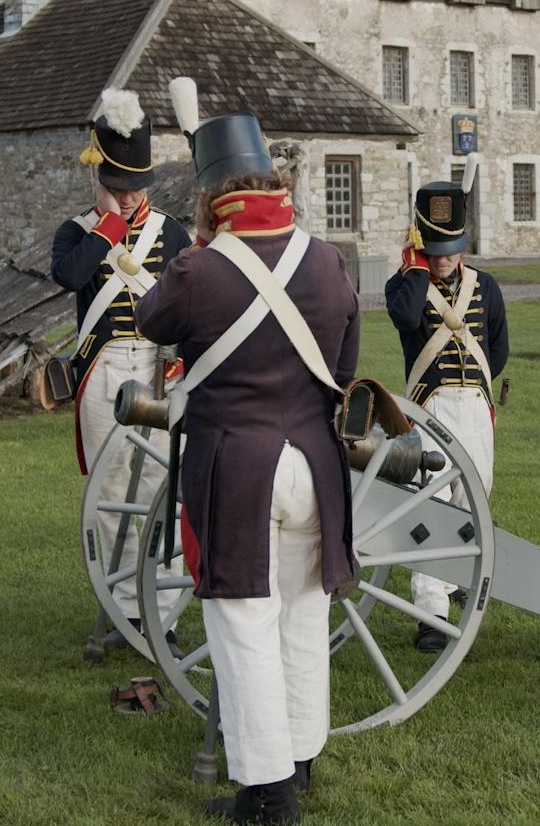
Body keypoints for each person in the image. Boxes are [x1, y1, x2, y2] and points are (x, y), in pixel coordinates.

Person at [135, 110, 360, 825]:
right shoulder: (326, 260)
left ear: (210, 201)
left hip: (238, 468)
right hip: (314, 464)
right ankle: (300, 758)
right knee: (303, 615)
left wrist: (202, 249)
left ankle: (268, 794)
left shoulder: (198, 268)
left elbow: (151, 320)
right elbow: (343, 370)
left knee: (244, 626)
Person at [50, 89, 191, 639]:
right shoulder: (77, 232)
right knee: (111, 495)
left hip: (159, 368)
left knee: (161, 490)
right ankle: (126, 608)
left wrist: (180, 363)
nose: (129, 197)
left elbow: (190, 304)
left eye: (136, 186)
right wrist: (108, 225)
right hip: (103, 370)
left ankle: (163, 607)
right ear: (98, 178)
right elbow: (69, 275)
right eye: (117, 186)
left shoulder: (171, 233)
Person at [383, 167, 508, 652]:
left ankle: (451, 576)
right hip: (430, 407)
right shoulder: (404, 286)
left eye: (450, 250)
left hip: (475, 405)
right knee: (430, 500)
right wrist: (415, 269)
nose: (443, 260)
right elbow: (406, 318)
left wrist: (474, 390)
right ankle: (430, 611)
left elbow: (498, 349)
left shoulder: (486, 286)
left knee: (473, 497)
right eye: (433, 251)